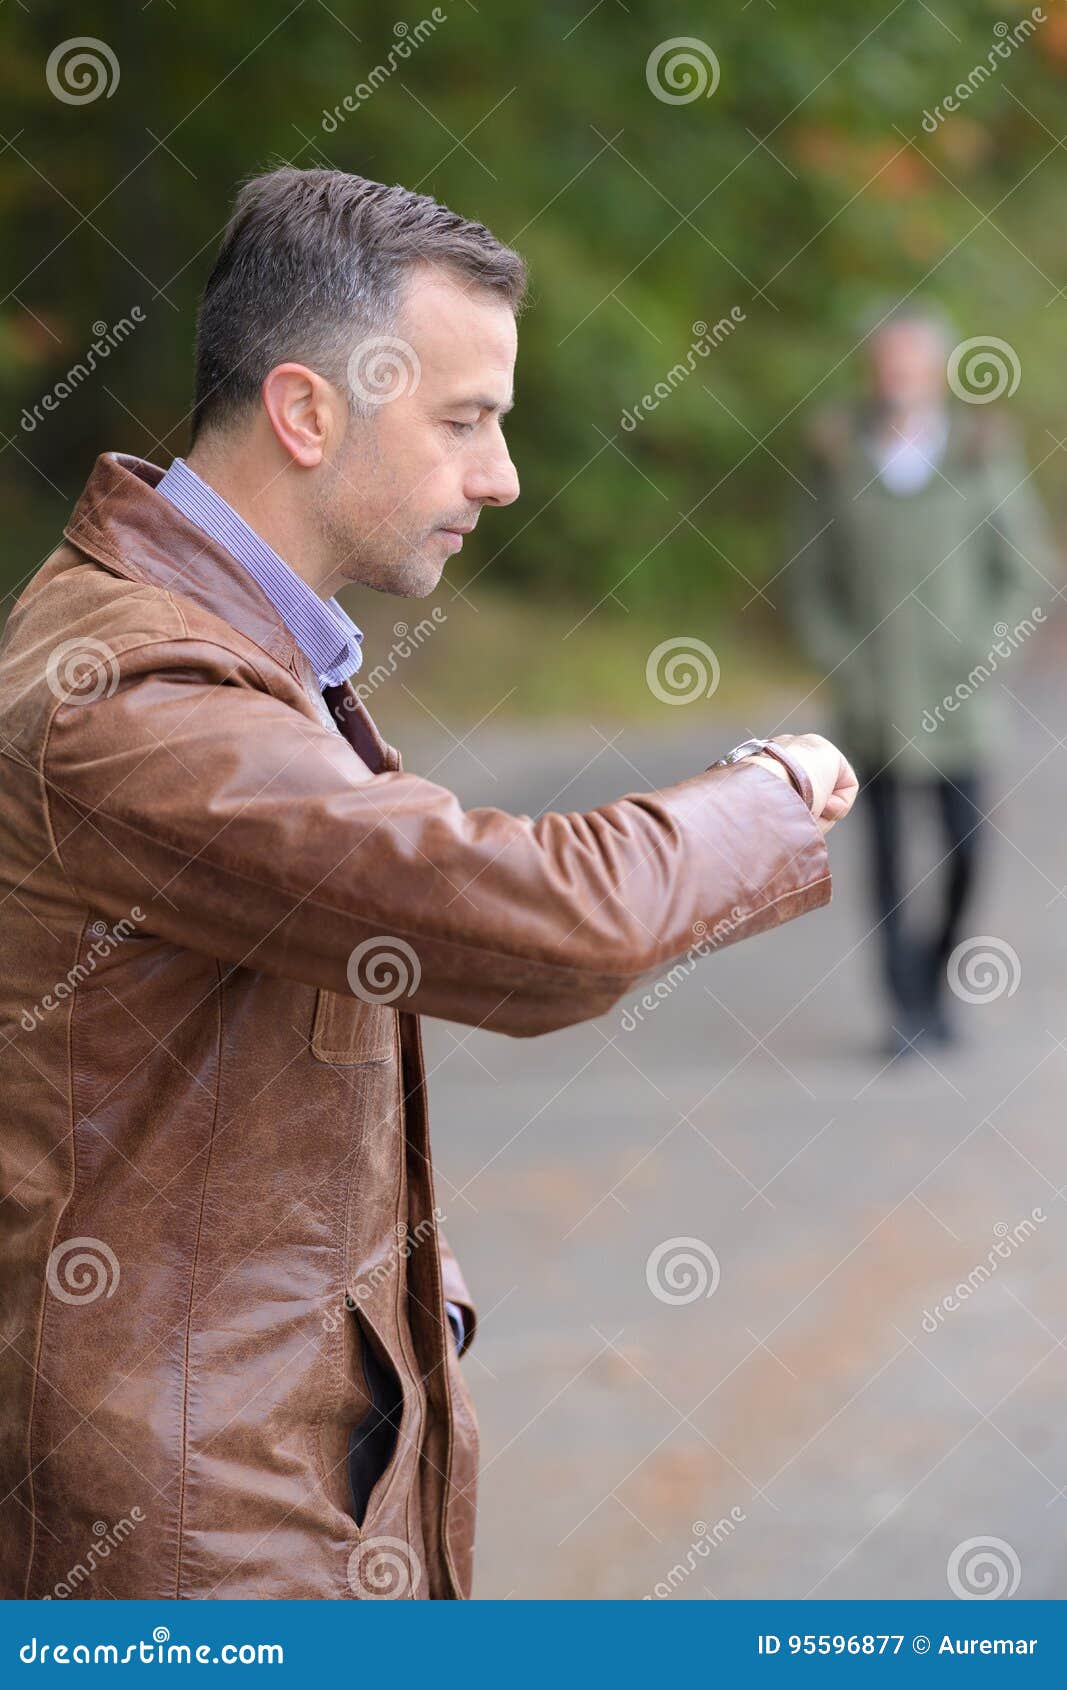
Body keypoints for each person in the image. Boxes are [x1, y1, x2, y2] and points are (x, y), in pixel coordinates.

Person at [0, 167, 855, 1602]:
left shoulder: (241, 648)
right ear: (306, 410)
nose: (500, 474)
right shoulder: (132, 692)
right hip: (186, 1550)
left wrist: (395, 1301)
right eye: (464, 421)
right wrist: (767, 794)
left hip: (260, 1481)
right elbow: (540, 924)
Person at [787, 305, 1055, 1058]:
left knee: (966, 849)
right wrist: (840, 657)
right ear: (869, 369)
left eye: (909, 359)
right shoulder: (837, 454)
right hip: (870, 700)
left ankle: (938, 982)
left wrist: (982, 651)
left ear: (936, 370)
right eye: (884, 359)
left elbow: (1024, 569)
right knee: (884, 859)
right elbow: (807, 578)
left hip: (959, 700)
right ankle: (902, 1009)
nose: (895, 374)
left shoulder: (976, 453)